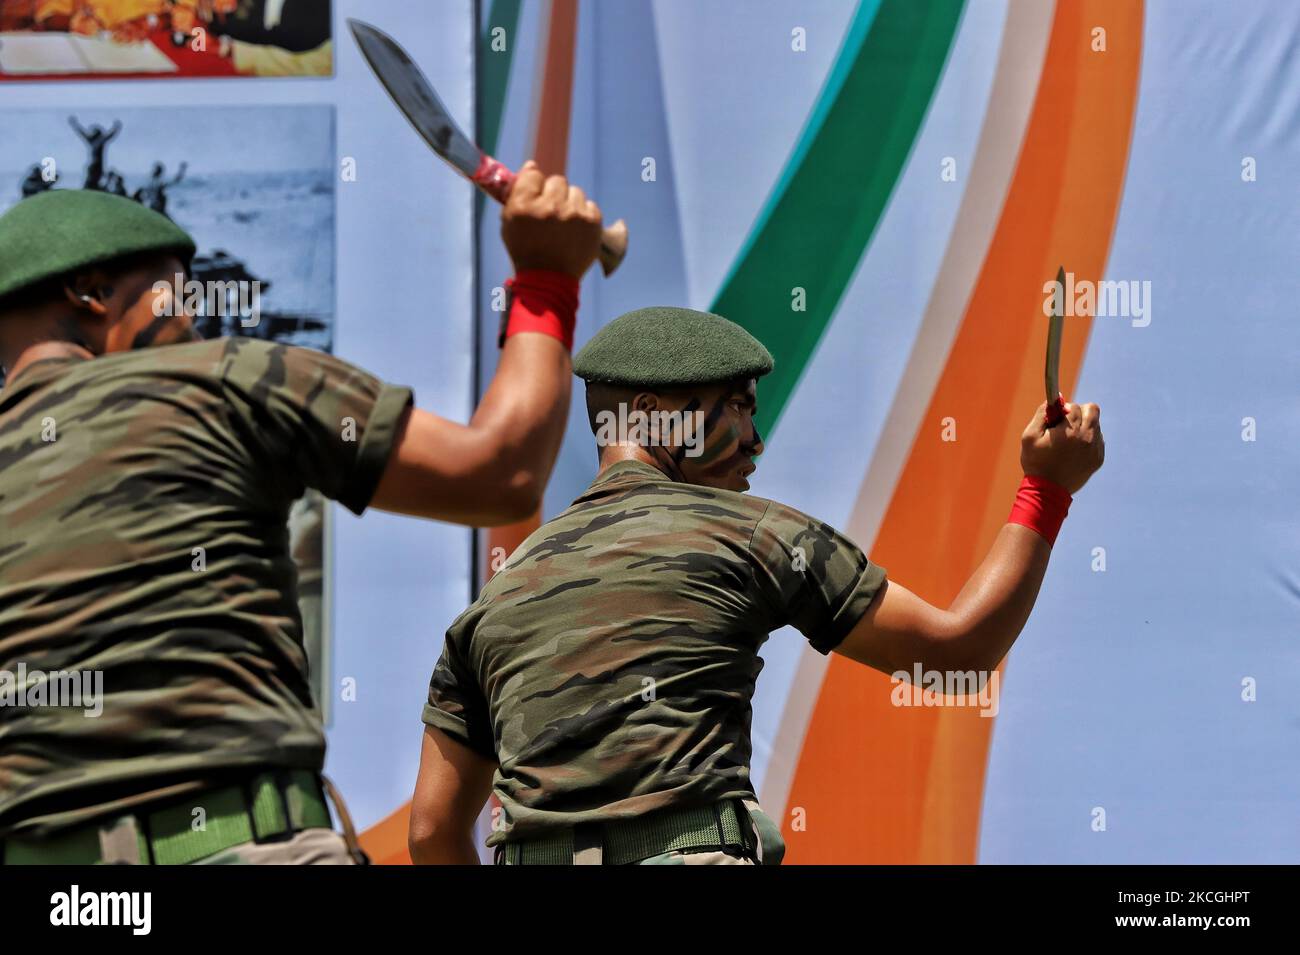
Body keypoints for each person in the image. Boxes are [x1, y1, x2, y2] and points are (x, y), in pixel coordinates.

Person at [0, 162, 603, 864]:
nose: (193, 317)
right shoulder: (221, 379)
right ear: (92, 292)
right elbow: (500, 472)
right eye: (177, 294)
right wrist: (546, 276)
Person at [410, 306, 1104, 865]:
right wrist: (1045, 489)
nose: (755, 437)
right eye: (735, 407)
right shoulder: (751, 533)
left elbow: (432, 832)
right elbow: (957, 654)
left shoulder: (495, 597)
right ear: (652, 413)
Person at [68, 117, 121, 191]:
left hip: (95, 167)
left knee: (91, 183)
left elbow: (110, 135)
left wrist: (116, 128)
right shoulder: (95, 140)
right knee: (91, 183)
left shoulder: (97, 140)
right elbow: (82, 132)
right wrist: (116, 128)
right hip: (96, 166)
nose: (91, 133)